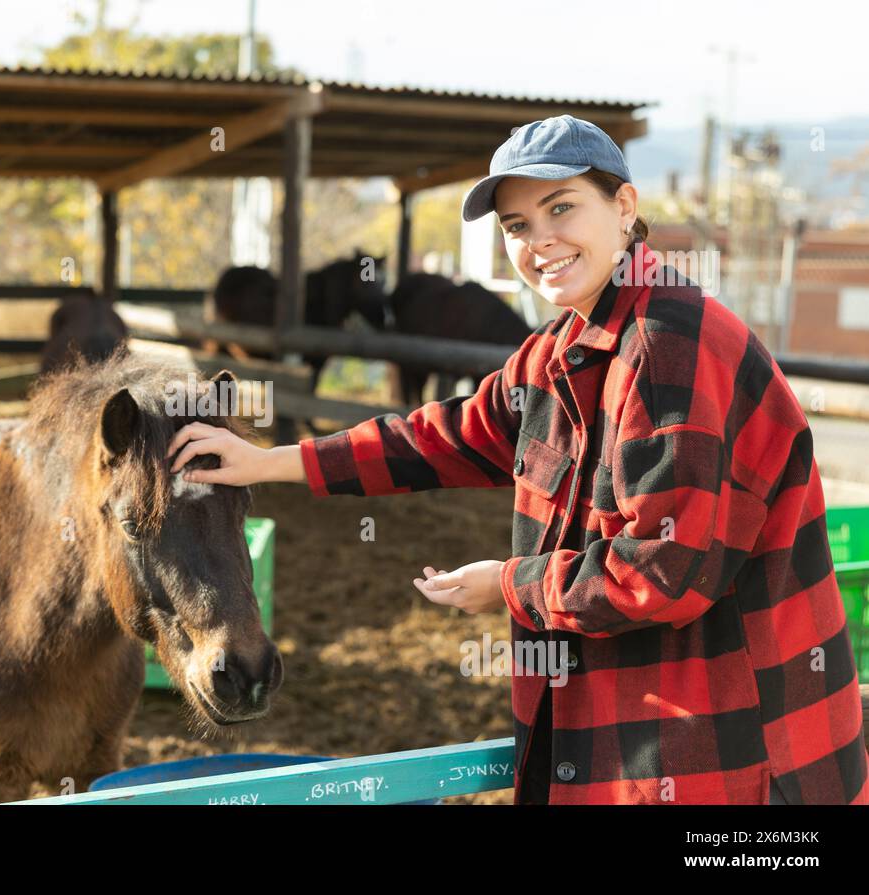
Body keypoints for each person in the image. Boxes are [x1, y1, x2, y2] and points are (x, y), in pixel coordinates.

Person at [167, 115, 868, 805]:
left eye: (561, 207)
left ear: (625, 207)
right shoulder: (565, 346)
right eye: (517, 225)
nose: (540, 241)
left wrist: (508, 584)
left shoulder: (669, 347)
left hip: (729, 759)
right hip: (631, 735)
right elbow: (446, 435)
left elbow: (662, 570)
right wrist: (268, 461)